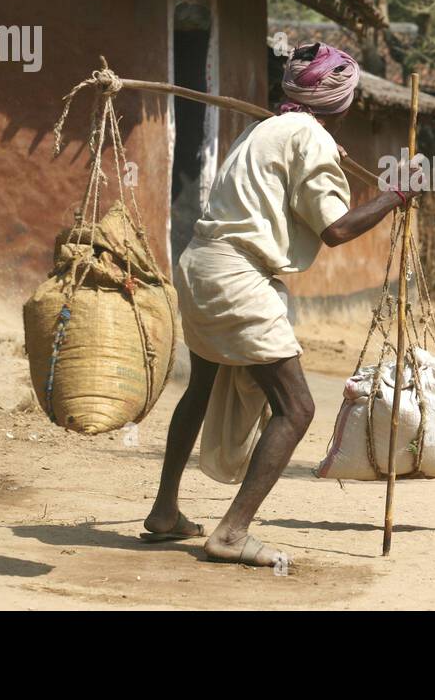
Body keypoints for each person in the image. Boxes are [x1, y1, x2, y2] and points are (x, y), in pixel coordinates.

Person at [142, 42, 414, 568]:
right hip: (238, 276)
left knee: (200, 387)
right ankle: (232, 533)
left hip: (201, 265)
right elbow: (335, 229)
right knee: (297, 407)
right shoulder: (307, 135)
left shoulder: (267, 129)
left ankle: (164, 513)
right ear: (343, 100)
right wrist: (394, 196)